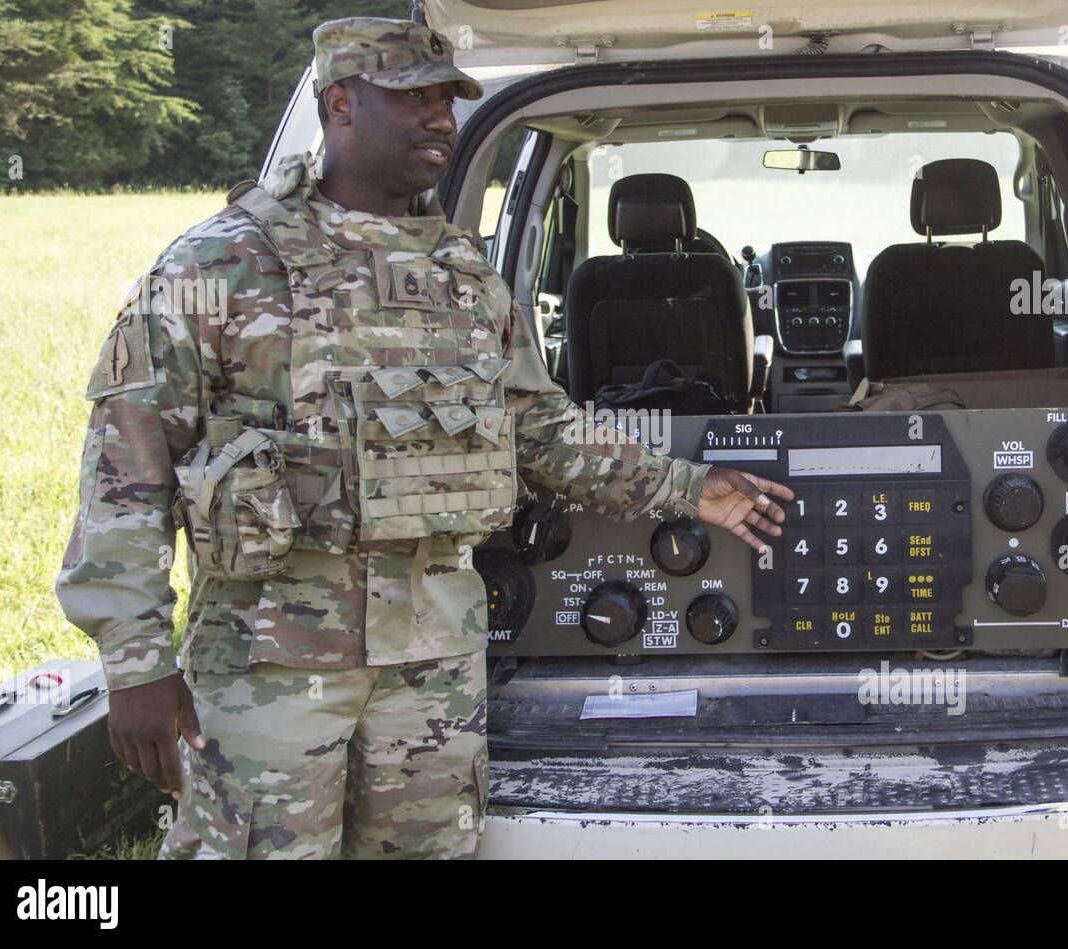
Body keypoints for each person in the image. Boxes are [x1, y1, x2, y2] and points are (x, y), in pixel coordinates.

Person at [56, 16, 792, 859]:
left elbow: (540, 431)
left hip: (433, 662)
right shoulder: (219, 267)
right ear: (340, 103)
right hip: (272, 664)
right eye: (414, 98)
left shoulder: (466, 280)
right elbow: (127, 463)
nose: (441, 117)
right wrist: (136, 663)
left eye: (447, 98)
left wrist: (690, 486)